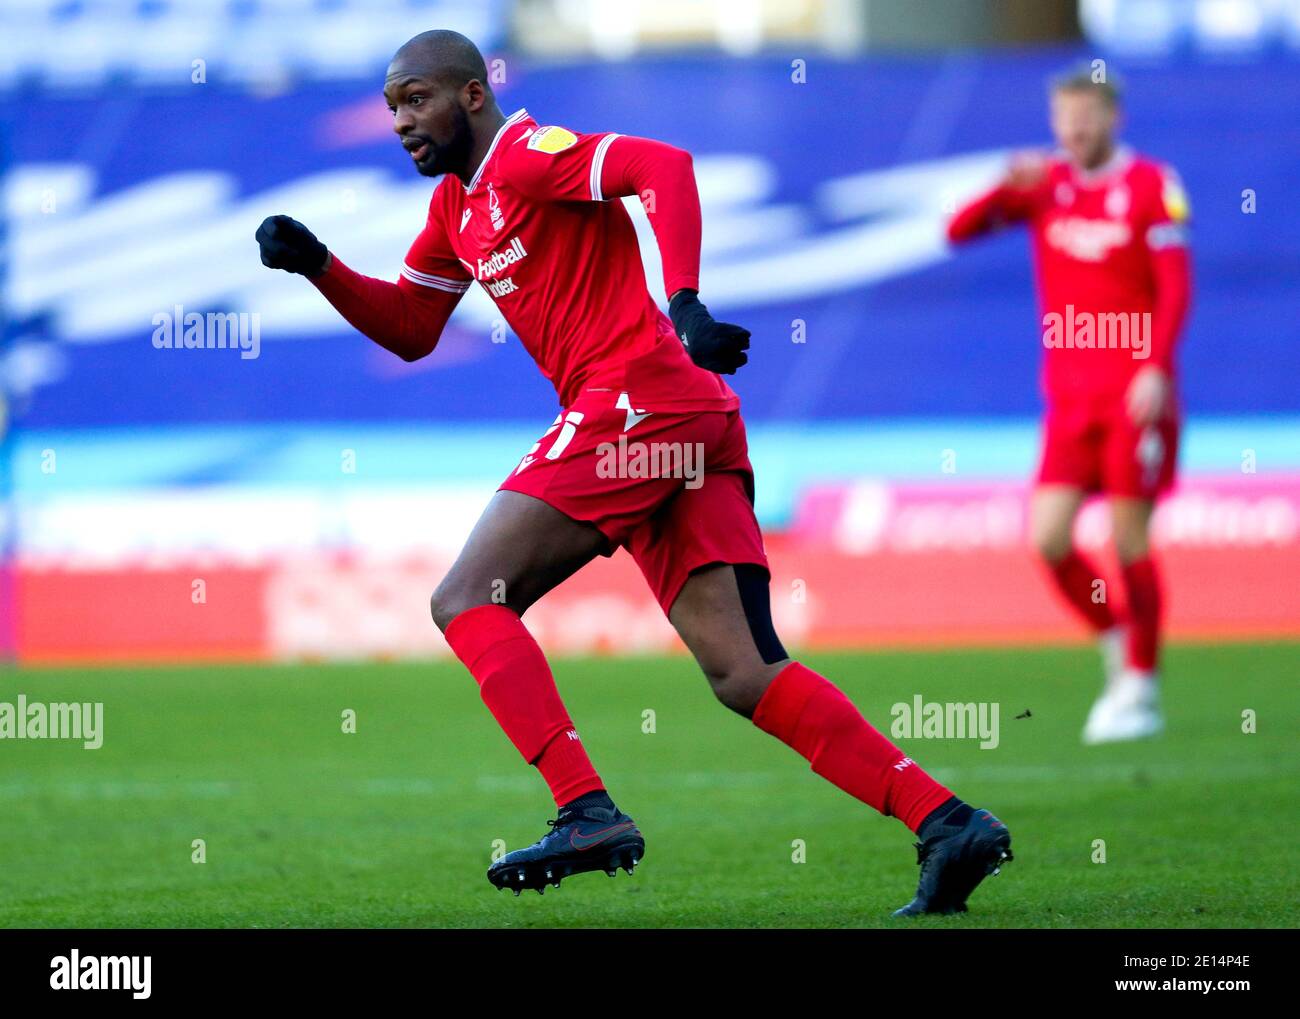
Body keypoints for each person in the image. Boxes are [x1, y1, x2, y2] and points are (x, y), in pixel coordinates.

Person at [257, 29, 1011, 915]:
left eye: (415, 98)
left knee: (467, 597)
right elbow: (413, 328)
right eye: (389, 106)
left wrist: (685, 299)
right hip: (677, 425)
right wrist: (318, 267)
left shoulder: (530, 157)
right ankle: (946, 820)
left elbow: (665, 167)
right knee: (744, 671)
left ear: (470, 95)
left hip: (636, 399)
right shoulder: (455, 212)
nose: (399, 121)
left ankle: (585, 808)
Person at [947, 67, 1192, 744]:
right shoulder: (1046, 186)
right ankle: (1116, 640)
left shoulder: (1151, 187)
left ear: (1112, 117)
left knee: (1127, 537)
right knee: (1049, 538)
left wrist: (1156, 367)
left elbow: (1175, 290)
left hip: (1134, 397)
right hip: (1069, 401)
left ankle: (1141, 682)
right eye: (1064, 117)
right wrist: (1006, 183)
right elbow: (957, 230)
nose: (1075, 129)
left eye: (1086, 115)